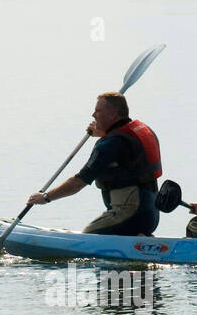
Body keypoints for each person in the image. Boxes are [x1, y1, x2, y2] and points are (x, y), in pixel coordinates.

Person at [27, 92, 161, 235]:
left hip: (128, 215)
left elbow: (78, 183)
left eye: (98, 111)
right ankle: (140, 239)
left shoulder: (110, 144)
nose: (93, 115)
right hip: (150, 216)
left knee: (87, 238)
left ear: (113, 114)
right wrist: (104, 132)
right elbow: (125, 152)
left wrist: (46, 197)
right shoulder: (141, 131)